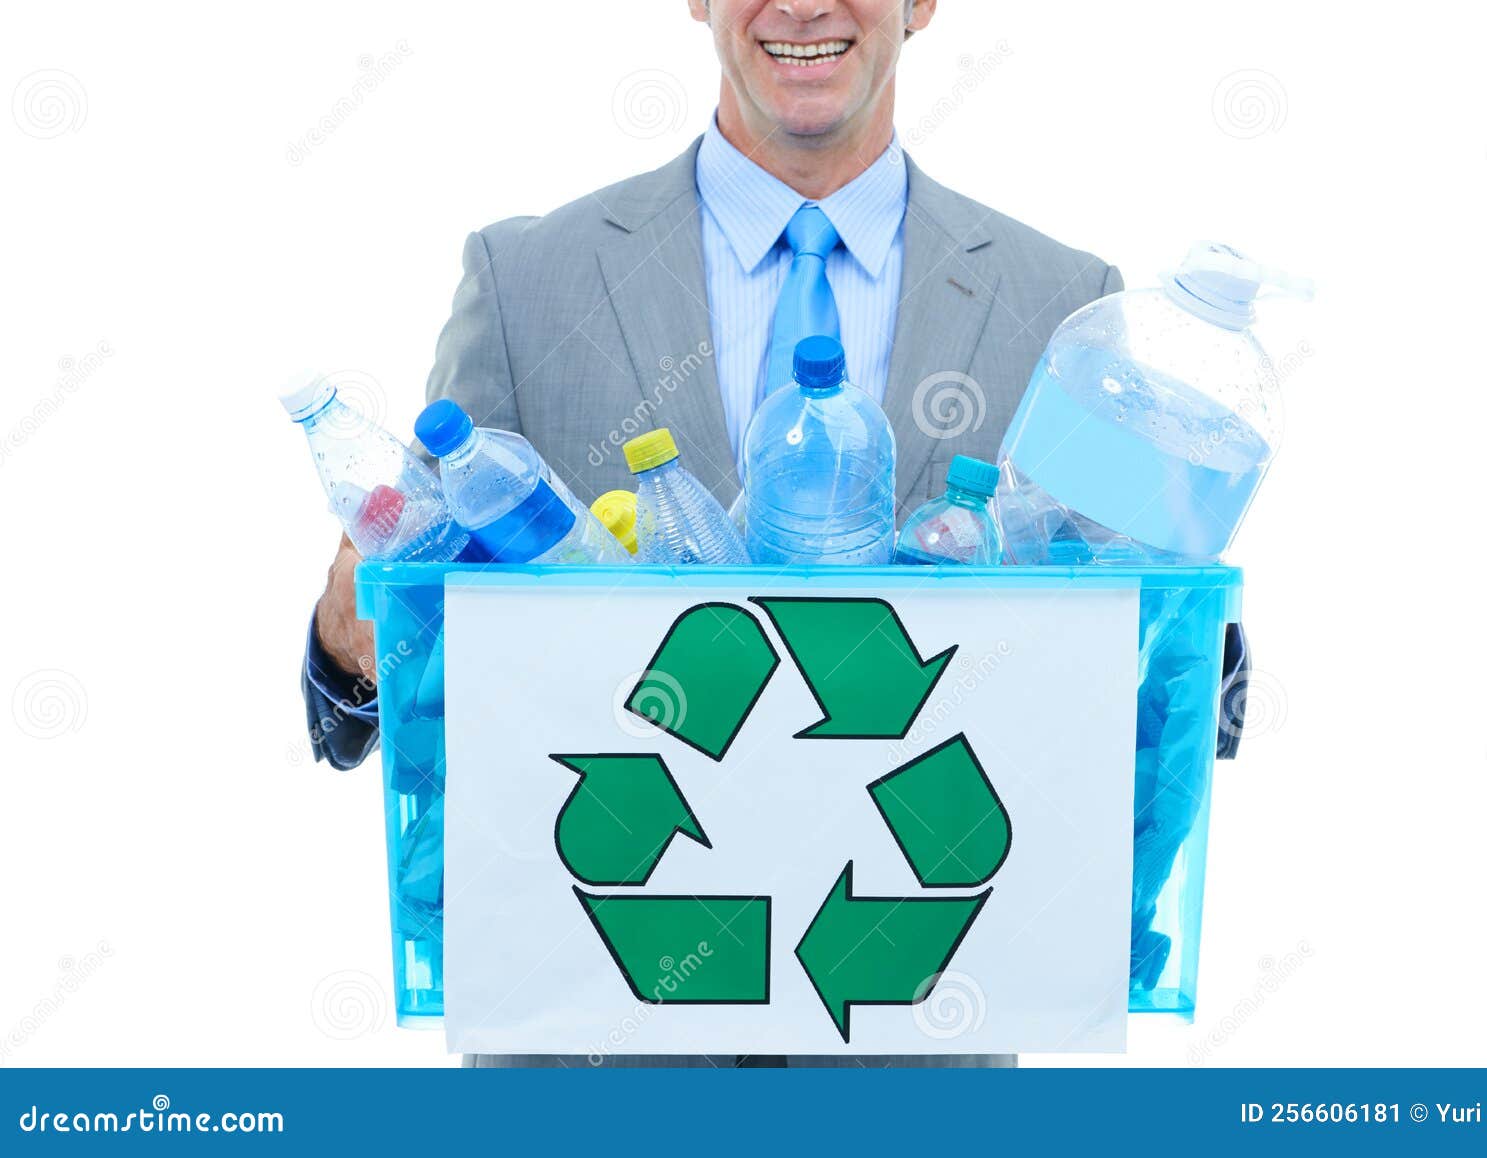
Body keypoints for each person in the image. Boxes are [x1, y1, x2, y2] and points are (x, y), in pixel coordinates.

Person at [303, 0, 1239, 1067]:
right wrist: (351, 638)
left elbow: (1147, 673)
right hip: (587, 1059)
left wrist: (1179, 604)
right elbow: (422, 651)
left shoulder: (1066, 308)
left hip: (916, 1047)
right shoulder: (526, 281)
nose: (802, 6)